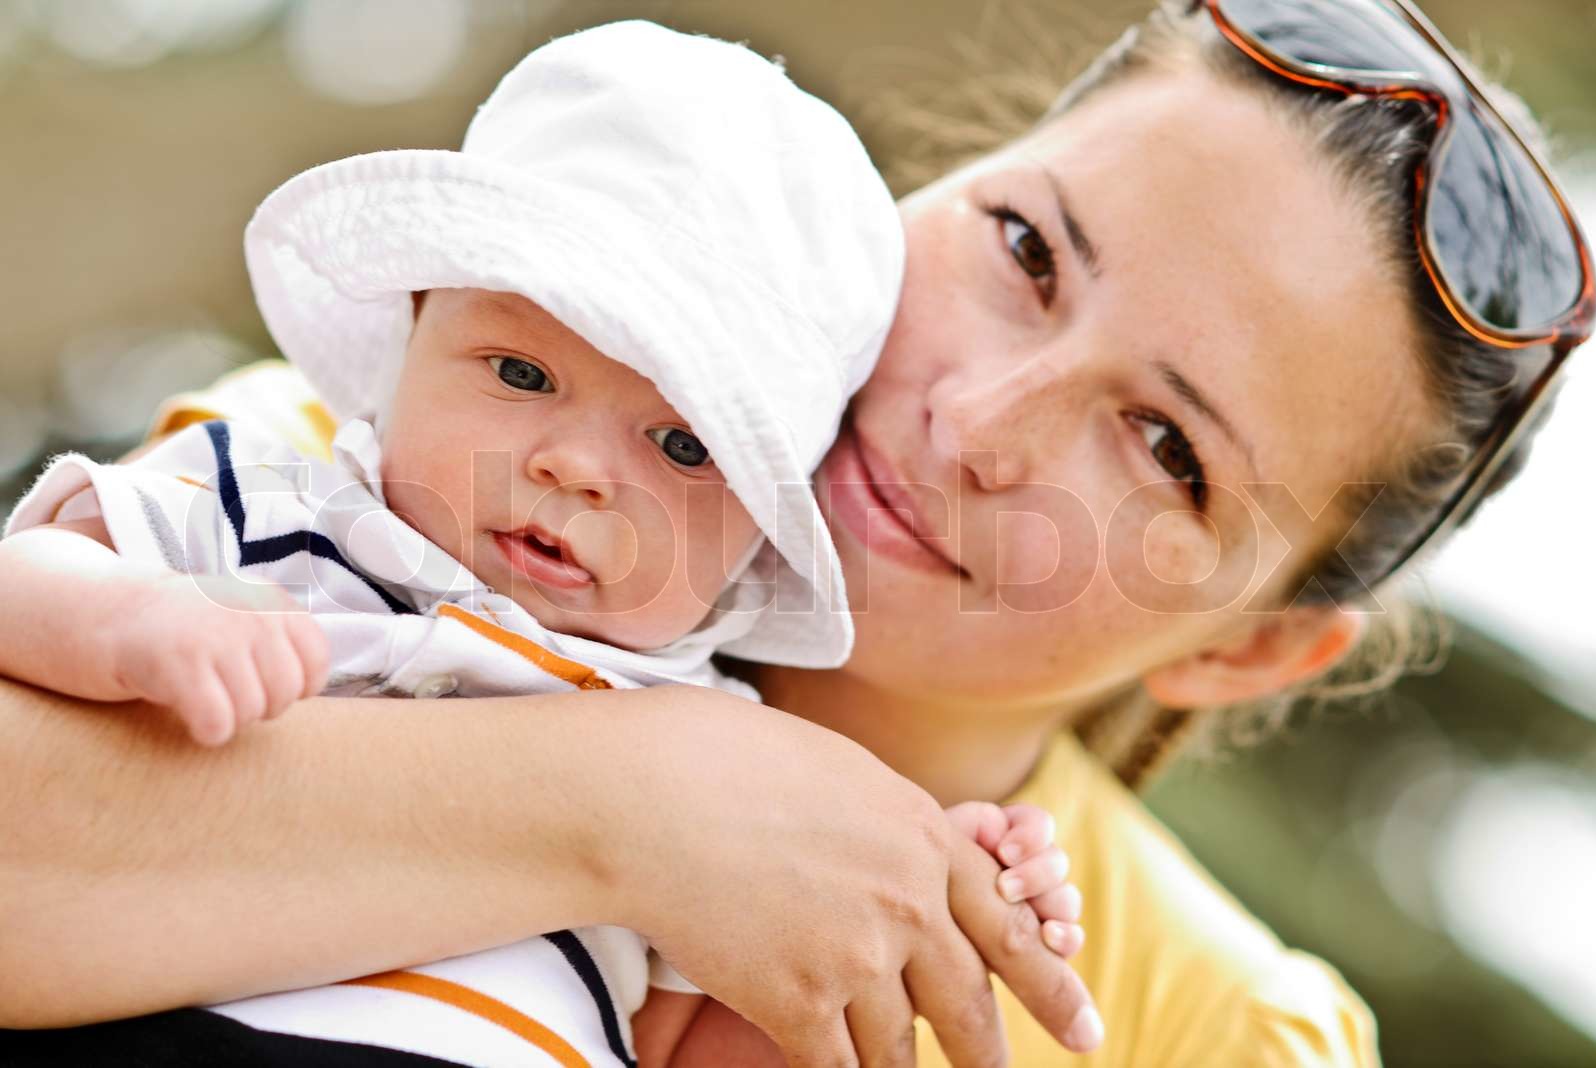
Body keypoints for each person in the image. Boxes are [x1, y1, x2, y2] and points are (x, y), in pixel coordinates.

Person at [1, 0, 1593, 1065]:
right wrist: (651, 799)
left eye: (1166, 446)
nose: (978, 423)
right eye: (1025, 248)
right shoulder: (414, 465)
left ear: (1253, 650)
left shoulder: (1213, 1029)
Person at [0, 21, 1080, 1068]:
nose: (576, 467)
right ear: (413, 330)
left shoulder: (724, 756)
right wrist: (131, 620)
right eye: (521, 375)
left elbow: (687, 1042)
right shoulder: (272, 504)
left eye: (681, 446)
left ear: (759, 527)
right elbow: (21, 582)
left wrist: (930, 891)